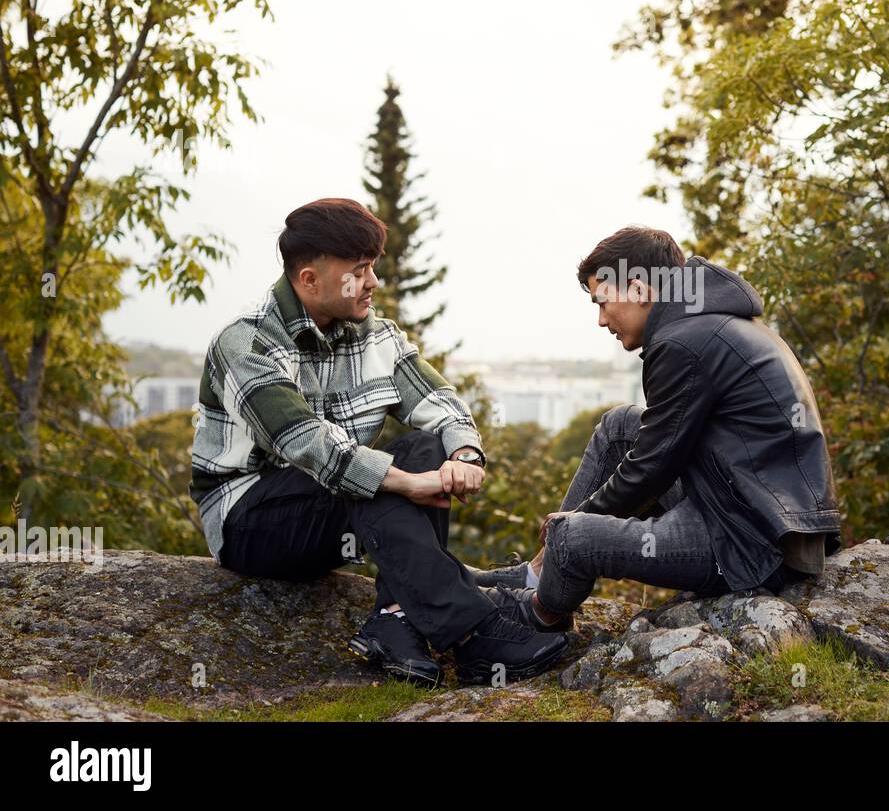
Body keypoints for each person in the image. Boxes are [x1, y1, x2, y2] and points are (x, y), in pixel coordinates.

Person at [189, 198, 567, 685]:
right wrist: (406, 483)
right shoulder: (247, 344)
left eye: (374, 267)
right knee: (369, 477)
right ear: (309, 279)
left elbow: (438, 400)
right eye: (360, 270)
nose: (374, 282)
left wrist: (463, 456)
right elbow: (309, 446)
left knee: (425, 447)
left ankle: (394, 618)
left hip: (333, 517)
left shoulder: (375, 334)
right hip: (251, 524)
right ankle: (476, 633)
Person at [475, 226, 842, 631]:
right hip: (747, 511)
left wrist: (571, 523)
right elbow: (658, 448)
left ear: (636, 288)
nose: (601, 320)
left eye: (603, 302)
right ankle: (539, 573)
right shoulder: (705, 322)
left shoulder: (682, 341)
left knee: (573, 535)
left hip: (750, 544)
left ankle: (537, 617)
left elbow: (651, 467)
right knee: (620, 426)